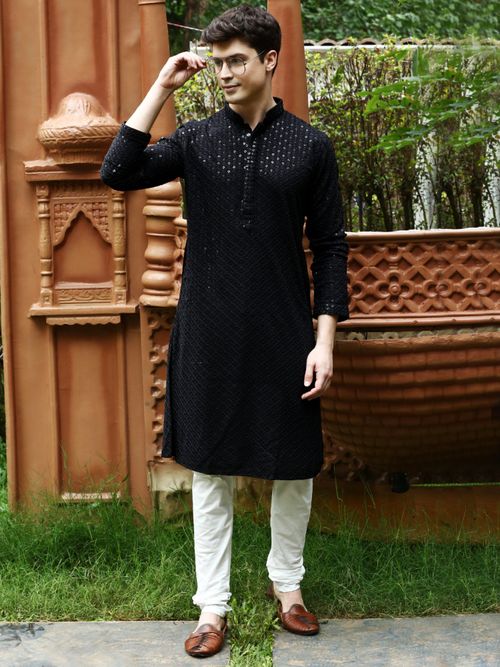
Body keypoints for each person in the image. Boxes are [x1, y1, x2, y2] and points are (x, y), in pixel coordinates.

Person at [101, 4, 349, 659]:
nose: (224, 73)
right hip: (207, 331)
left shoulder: (310, 146)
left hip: (285, 330)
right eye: (217, 63)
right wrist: (162, 87)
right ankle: (212, 606)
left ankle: (287, 587)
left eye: (236, 60)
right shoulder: (196, 140)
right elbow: (117, 171)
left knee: (293, 468)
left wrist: (324, 341)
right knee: (210, 470)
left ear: (270, 60)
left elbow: (330, 246)